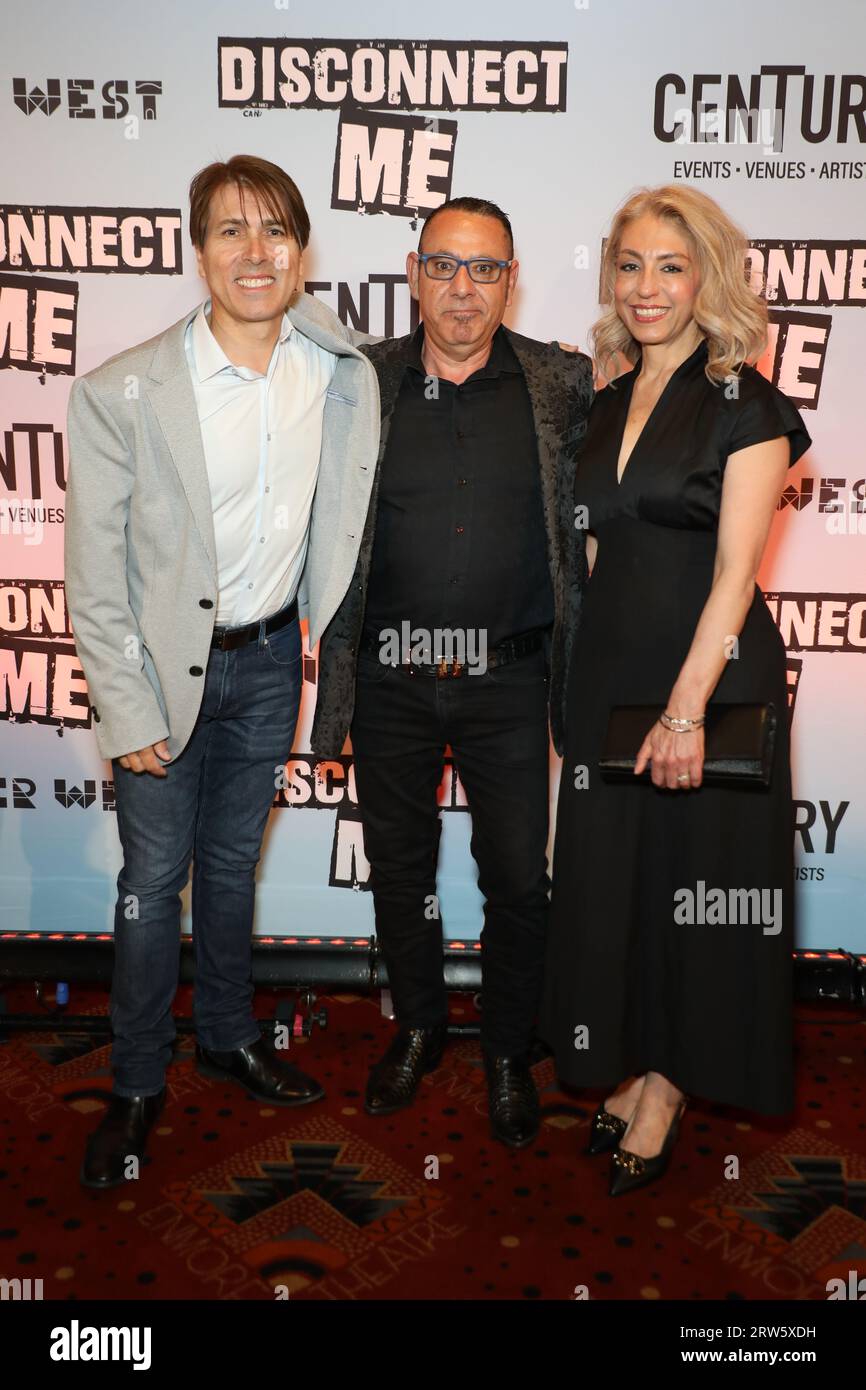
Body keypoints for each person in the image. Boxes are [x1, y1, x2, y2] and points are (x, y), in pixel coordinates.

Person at [65, 155, 379, 1188]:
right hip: (161, 680)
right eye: (232, 232)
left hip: (266, 666)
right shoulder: (123, 390)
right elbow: (94, 572)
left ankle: (230, 1036)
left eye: (276, 231)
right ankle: (137, 1083)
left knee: (232, 867)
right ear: (196, 250)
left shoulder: (336, 370)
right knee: (154, 886)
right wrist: (124, 702)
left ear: (302, 252)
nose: (256, 252)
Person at [538, 185, 811, 1194]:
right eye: (628, 265)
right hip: (610, 667)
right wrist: (574, 692)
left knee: (698, 890)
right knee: (625, 885)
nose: (646, 287)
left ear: (706, 277)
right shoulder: (603, 400)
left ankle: (665, 1084)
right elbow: (596, 559)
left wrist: (686, 707)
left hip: (708, 671)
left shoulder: (744, 400)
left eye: (669, 265)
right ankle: (632, 1056)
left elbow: (737, 570)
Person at [311, 197, 594, 1148]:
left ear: (509, 277)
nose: (463, 290)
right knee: (400, 868)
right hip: (388, 677)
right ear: (412, 268)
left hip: (513, 679)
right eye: (444, 266)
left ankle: (508, 1049)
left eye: (484, 269)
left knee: (518, 876)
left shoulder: (563, 384)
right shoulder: (362, 381)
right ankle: (421, 1027)